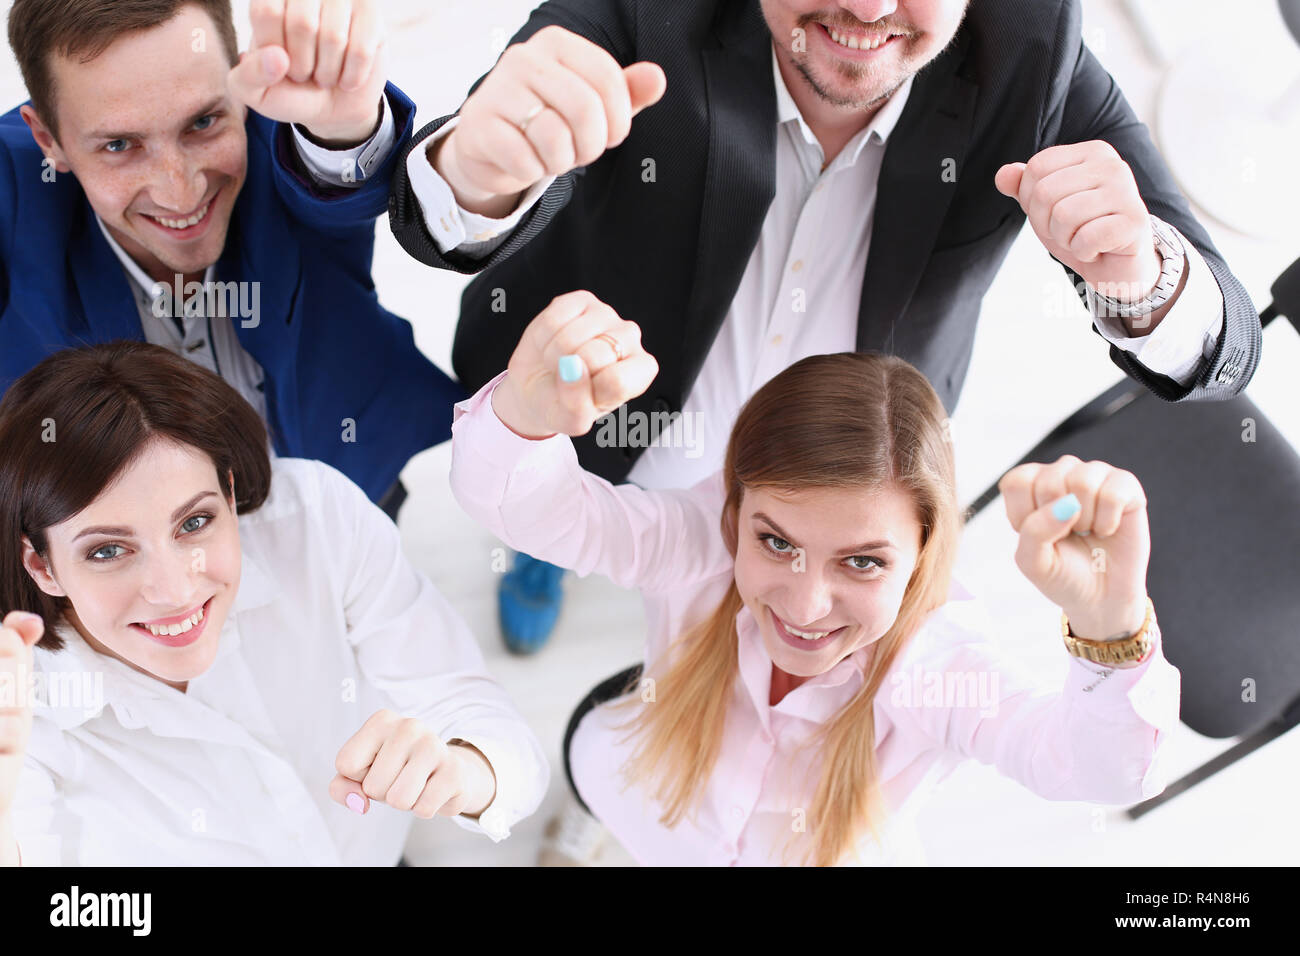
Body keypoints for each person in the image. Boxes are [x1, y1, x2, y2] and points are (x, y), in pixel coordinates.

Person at [388, 0, 1259, 655]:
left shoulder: (1032, 46)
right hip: (603, 420)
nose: (871, 9)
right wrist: (472, 173)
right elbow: (448, 205)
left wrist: (1143, 281)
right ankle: (548, 558)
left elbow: (1224, 347)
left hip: (831, 474)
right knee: (558, 514)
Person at [449, 291, 1180, 866]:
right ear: (735, 511)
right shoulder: (703, 541)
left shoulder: (937, 665)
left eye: (862, 561)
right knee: (605, 786)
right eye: (775, 541)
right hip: (651, 789)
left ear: (924, 549)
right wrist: (525, 414)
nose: (802, 606)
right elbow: (533, 509)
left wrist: (1110, 622)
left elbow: (1101, 773)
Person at [0, 342, 548, 866]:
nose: (175, 590)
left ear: (231, 494)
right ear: (41, 566)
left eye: (195, 522)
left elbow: (484, 721)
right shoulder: (22, 703)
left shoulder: (318, 522)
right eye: (108, 550)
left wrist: (463, 771)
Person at [1, 0, 465, 521]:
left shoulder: (285, 125)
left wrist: (347, 125)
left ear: (240, 85)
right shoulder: (12, 187)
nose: (181, 192)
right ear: (48, 140)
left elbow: (338, 174)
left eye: (203, 122)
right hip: (131, 555)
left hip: (342, 482)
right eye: (118, 145)